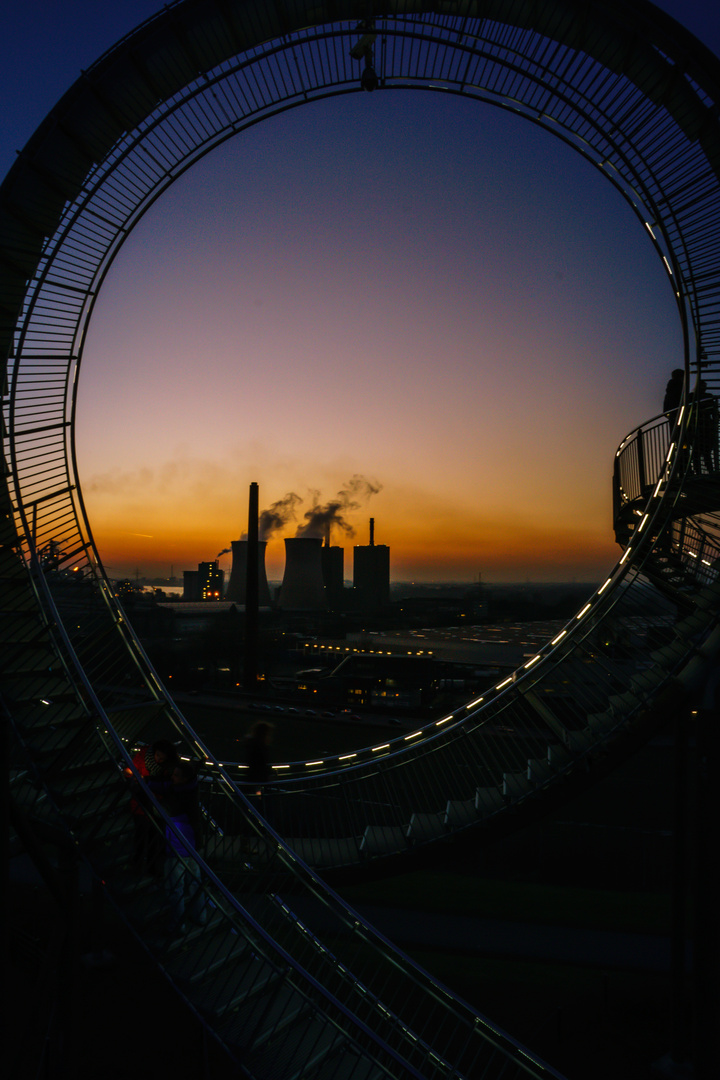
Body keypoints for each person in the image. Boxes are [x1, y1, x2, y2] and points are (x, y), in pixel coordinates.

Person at [161, 762, 206, 933]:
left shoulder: (177, 795)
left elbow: (168, 810)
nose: (172, 777)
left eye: (176, 775)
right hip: (193, 843)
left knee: (175, 886)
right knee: (195, 882)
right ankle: (200, 916)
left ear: (184, 779)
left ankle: (178, 925)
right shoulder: (192, 790)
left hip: (178, 843)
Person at [126, 739, 179, 871]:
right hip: (143, 802)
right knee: (143, 833)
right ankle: (142, 864)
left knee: (153, 836)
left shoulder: (168, 768)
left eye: (162, 758)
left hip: (155, 804)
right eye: (157, 755)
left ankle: (148, 865)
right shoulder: (145, 756)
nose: (158, 759)